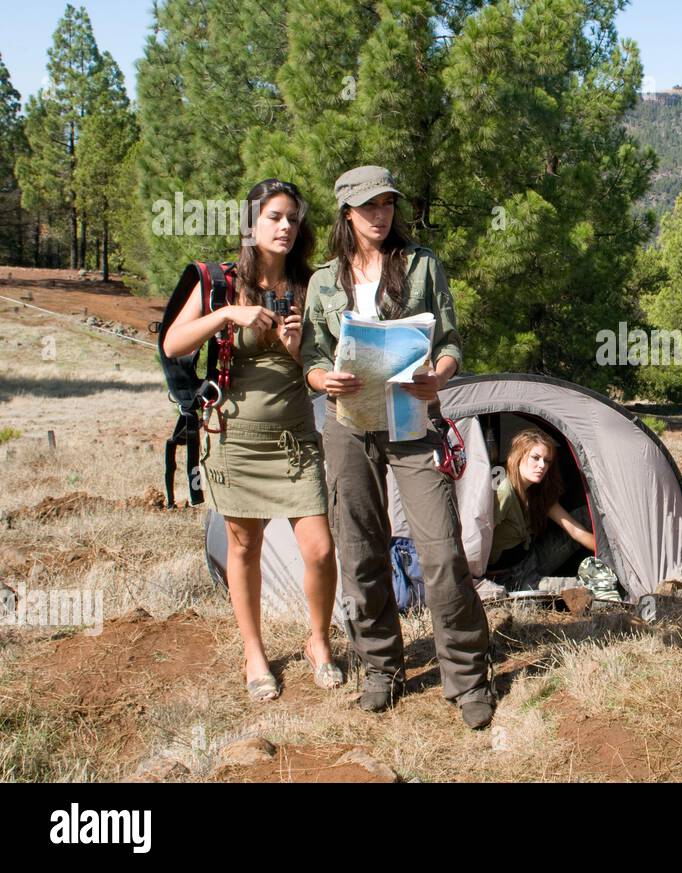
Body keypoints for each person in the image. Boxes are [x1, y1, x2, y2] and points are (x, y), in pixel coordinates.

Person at [300, 165, 494, 728]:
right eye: (368, 207)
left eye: (387, 204)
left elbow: (451, 338)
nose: (380, 215)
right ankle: (381, 665)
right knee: (360, 551)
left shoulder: (422, 264)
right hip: (348, 422)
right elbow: (313, 354)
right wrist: (321, 380)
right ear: (346, 214)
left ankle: (466, 674)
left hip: (413, 418)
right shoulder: (322, 281)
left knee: (441, 552)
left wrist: (442, 373)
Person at [162, 178, 340, 702]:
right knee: (244, 544)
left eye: (292, 218)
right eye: (274, 217)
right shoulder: (219, 281)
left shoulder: (311, 285)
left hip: (294, 439)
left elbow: (323, 363)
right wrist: (227, 314)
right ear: (251, 224)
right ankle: (254, 652)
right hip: (234, 438)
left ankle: (319, 641)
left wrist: (294, 348)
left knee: (320, 548)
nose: (285, 227)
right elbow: (173, 342)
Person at [487, 428, 595, 590]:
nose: (542, 465)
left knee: (585, 515)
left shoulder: (537, 489)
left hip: (531, 558)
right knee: (585, 589)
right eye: (535, 458)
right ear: (519, 455)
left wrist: (607, 555)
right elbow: (478, 538)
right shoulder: (504, 489)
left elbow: (575, 530)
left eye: (547, 460)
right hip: (509, 577)